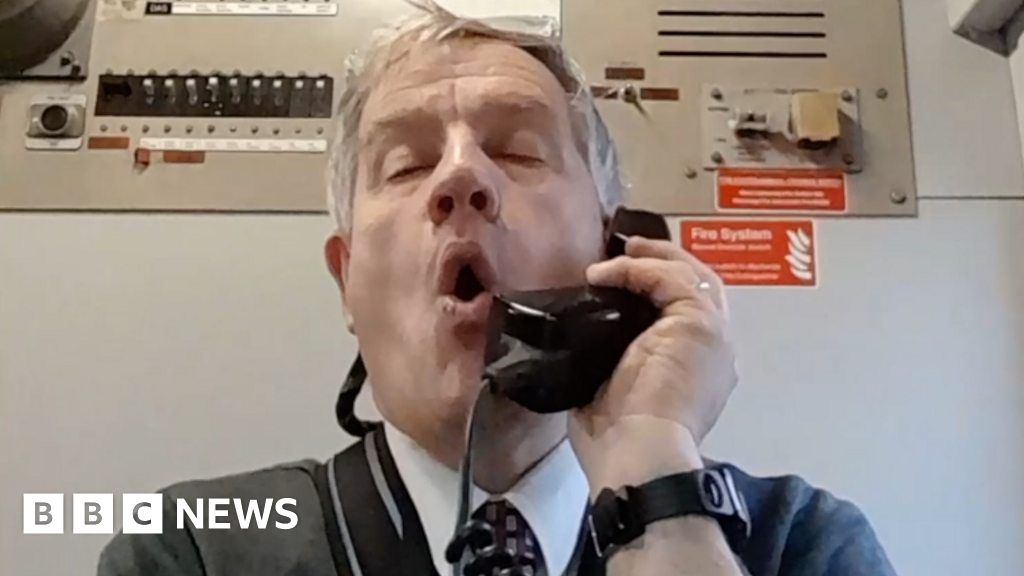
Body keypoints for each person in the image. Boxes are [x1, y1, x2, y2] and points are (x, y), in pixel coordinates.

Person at [98, 3, 897, 575]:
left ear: (616, 253)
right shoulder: (193, 549)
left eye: (517, 151)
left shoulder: (800, 545)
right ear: (346, 281)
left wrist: (660, 490)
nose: (461, 177)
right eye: (407, 165)